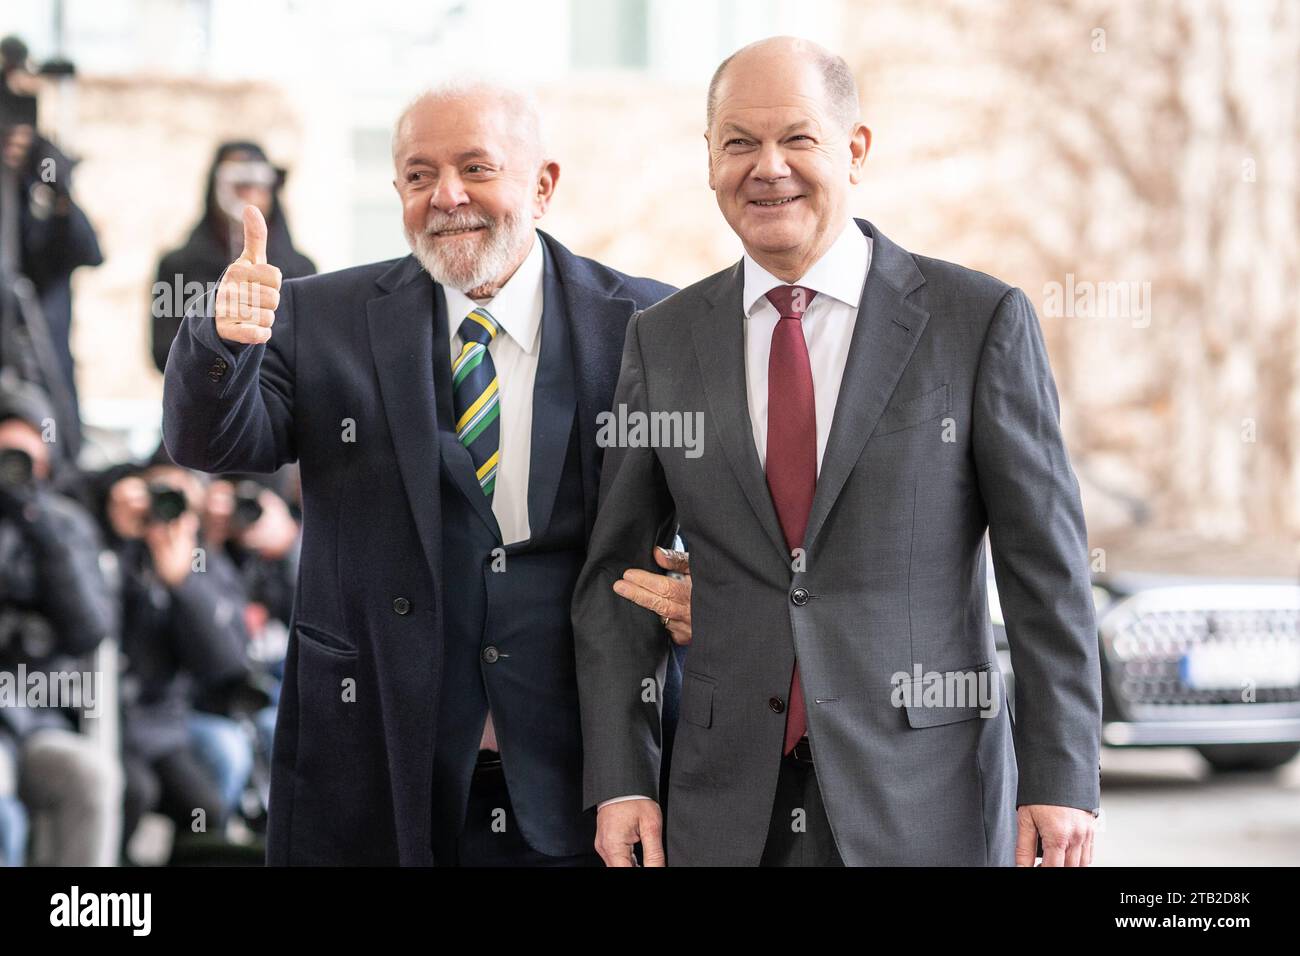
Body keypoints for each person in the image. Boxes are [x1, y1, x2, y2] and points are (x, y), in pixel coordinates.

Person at [572, 36, 1103, 867]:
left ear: (855, 149)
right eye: (739, 143)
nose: (767, 167)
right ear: (708, 160)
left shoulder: (977, 321)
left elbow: (1047, 573)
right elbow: (618, 583)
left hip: (927, 797)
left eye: (798, 139)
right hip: (724, 806)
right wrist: (623, 777)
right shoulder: (664, 340)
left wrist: (1063, 774)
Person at [162, 80, 684, 865]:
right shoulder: (318, 316)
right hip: (378, 757)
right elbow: (217, 444)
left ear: (542, 185)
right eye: (417, 175)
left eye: (477, 168)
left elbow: (717, 501)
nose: (446, 196)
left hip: (589, 777)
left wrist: (709, 584)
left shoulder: (647, 323)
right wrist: (222, 343)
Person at [0, 377, 121, 866]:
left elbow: (90, 627)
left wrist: (36, 521)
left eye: (24, 453)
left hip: (37, 716)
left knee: (91, 776)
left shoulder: (65, 524)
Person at [150, 141, 315, 374]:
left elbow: (310, 353)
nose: (248, 195)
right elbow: (162, 353)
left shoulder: (301, 269)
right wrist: (218, 338)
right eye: (238, 184)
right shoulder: (178, 266)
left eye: (257, 184)